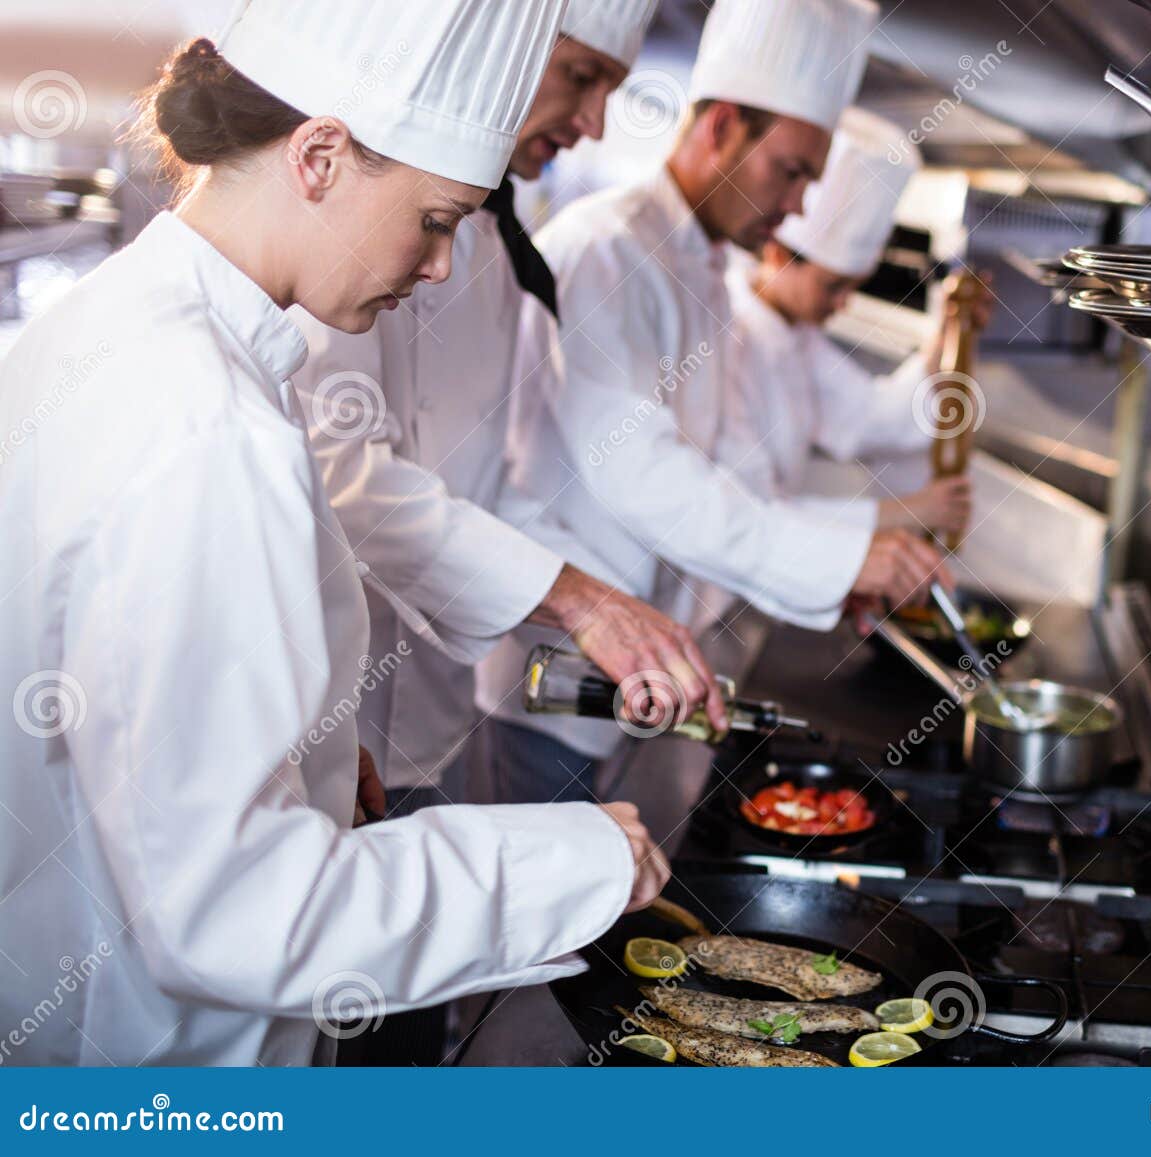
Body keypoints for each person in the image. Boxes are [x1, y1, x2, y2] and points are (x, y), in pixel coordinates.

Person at [0, 0, 666, 1067]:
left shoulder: (108, 324)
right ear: (318, 157)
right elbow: (228, 911)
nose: (441, 264)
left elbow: (107, 695)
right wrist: (571, 863)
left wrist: (295, 744)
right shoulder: (209, 424)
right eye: (438, 219)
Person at [476, 0, 952, 804]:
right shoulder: (607, 250)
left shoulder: (703, 273)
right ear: (721, 126)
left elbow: (728, 466)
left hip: (644, 670)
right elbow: (640, 469)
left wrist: (849, 554)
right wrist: (837, 556)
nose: (798, 205)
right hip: (556, 683)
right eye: (793, 170)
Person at [287, 0, 683, 822]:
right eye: (581, 77)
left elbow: (480, 479)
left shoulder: (498, 251)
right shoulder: (342, 221)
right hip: (321, 725)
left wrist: (610, 607)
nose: (594, 123)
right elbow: (346, 481)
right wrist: (575, 596)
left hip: (433, 711)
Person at [719, 108, 990, 539]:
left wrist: (950, 336)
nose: (842, 304)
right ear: (776, 253)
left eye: (853, 288)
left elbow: (869, 417)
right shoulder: (725, 336)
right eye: (833, 286)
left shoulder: (796, 337)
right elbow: (746, 510)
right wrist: (906, 512)